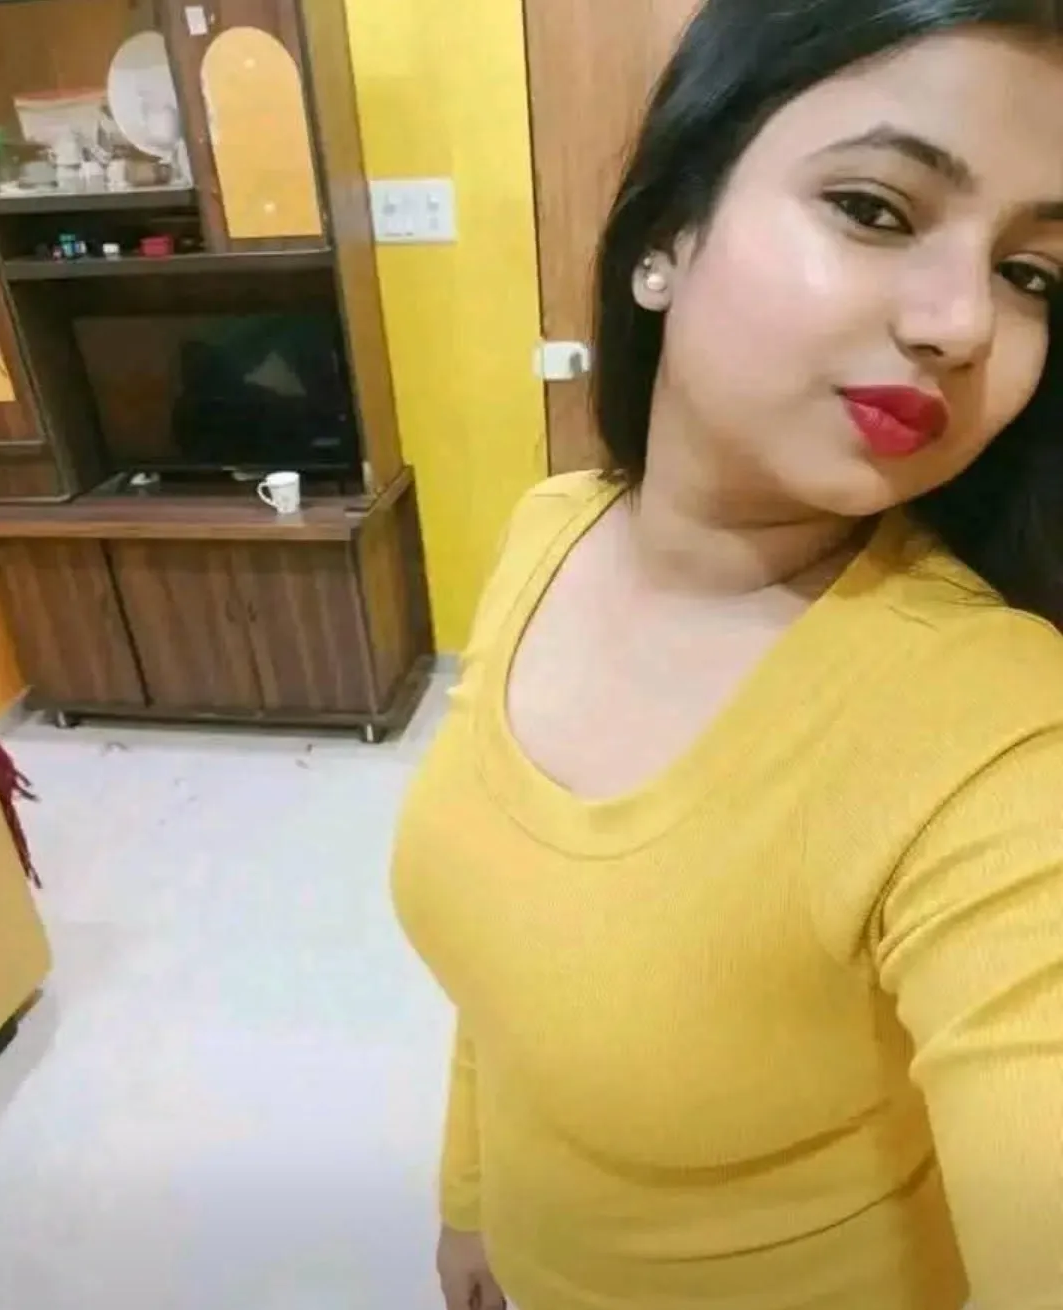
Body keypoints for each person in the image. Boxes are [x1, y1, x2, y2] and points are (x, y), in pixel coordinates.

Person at [392, 2, 1063, 1307]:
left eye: (1031, 276)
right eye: (875, 208)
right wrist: (471, 1196)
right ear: (667, 235)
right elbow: (504, 959)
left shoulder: (997, 734)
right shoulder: (551, 533)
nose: (963, 324)